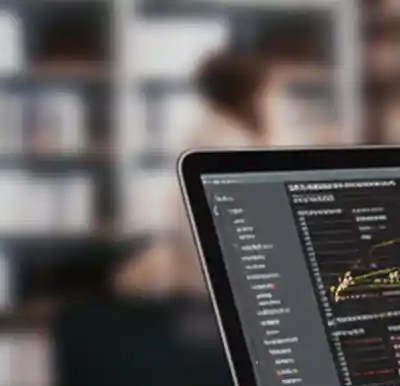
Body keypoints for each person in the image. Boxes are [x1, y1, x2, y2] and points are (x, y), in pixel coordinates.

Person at [117, 52, 281, 296]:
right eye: (270, 92)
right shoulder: (224, 145)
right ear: (252, 94)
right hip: (211, 286)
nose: (276, 101)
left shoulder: (222, 136)